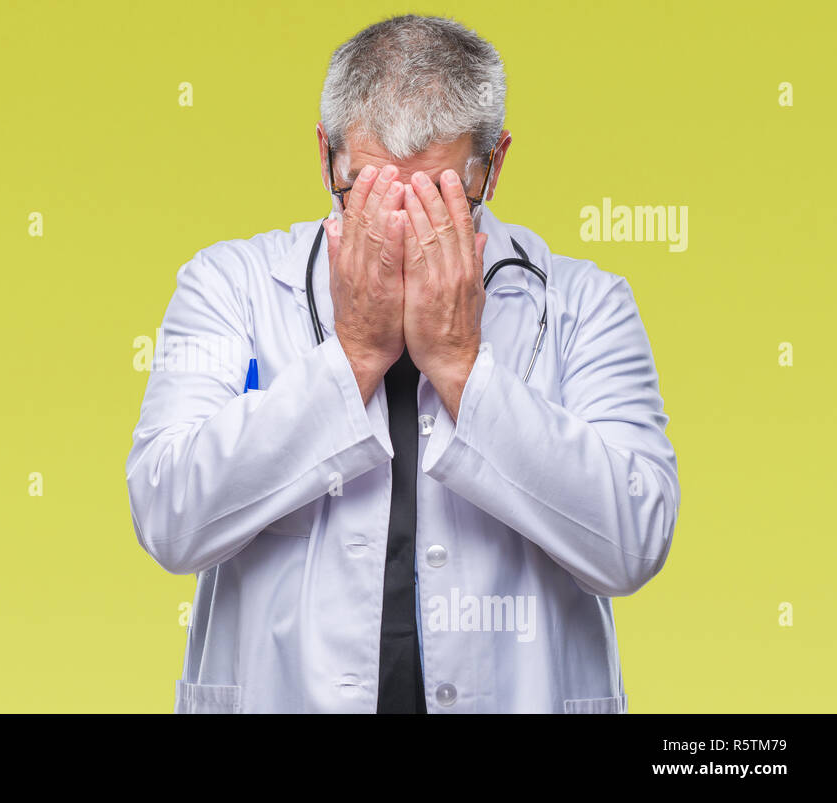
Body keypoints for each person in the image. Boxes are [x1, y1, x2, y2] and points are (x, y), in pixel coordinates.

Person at [124, 14, 680, 714]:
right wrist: (352, 356)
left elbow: (631, 541)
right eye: (375, 197)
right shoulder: (228, 285)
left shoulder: (585, 303)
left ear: (494, 165)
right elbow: (171, 518)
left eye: (442, 198)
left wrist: (462, 369)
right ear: (326, 157)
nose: (406, 232)